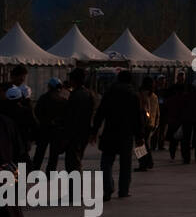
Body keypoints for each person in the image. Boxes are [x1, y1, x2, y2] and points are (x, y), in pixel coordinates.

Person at [93, 70, 142, 200]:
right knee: (125, 164)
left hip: (110, 132)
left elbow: (100, 113)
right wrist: (139, 136)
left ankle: (108, 188)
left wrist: (94, 130)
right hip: (126, 135)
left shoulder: (109, 93)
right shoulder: (133, 95)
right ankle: (123, 190)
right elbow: (137, 118)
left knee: (106, 162)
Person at [32, 78, 70, 174]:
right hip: (57, 130)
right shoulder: (63, 99)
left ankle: (34, 172)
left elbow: (37, 112)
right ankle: (50, 173)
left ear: (49, 86)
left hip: (44, 129)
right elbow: (66, 115)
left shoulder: (43, 98)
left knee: (40, 153)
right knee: (54, 154)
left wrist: (46, 121)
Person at [63, 68, 96, 172]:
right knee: (77, 159)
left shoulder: (74, 95)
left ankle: (75, 186)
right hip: (85, 132)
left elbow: (69, 115)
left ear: (73, 80)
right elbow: (93, 114)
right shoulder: (90, 94)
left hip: (74, 133)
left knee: (72, 162)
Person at [136, 76, 159, 172]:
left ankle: (143, 164)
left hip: (142, 122)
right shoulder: (154, 96)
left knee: (139, 144)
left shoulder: (141, 95)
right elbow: (157, 112)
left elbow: (145, 110)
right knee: (146, 143)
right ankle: (149, 162)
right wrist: (156, 123)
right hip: (151, 123)